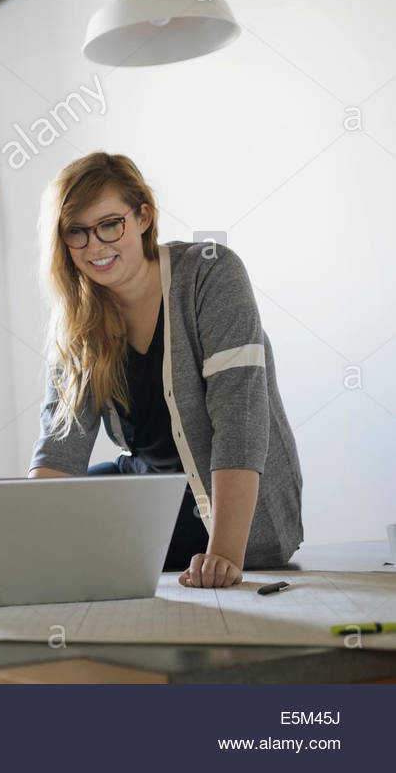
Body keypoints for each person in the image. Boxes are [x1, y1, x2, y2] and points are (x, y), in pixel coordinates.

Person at [28, 152, 303, 589]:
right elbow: (61, 449)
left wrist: (226, 556)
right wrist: (19, 545)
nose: (95, 245)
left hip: (221, 507)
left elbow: (241, 424)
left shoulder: (211, 274)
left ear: (142, 217)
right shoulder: (79, 318)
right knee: (54, 524)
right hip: (150, 485)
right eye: (76, 232)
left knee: (84, 549)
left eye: (109, 224)